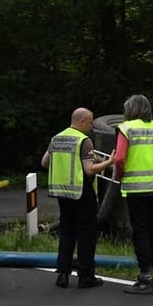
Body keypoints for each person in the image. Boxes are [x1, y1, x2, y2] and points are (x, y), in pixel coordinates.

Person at [41, 108, 115, 289]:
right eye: (90, 123)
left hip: (61, 192)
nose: (91, 127)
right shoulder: (84, 141)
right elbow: (89, 170)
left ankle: (63, 274)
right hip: (82, 192)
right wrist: (109, 161)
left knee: (66, 232)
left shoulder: (57, 138)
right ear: (82, 122)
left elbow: (44, 162)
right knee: (86, 234)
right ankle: (86, 275)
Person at [113, 94, 153, 294]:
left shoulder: (126, 128)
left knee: (140, 231)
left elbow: (120, 158)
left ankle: (144, 278)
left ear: (130, 110)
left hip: (136, 190)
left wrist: (121, 176)